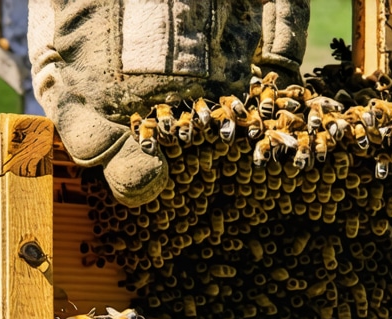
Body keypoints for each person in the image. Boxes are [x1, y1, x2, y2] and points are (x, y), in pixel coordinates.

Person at [28, 0, 310, 207]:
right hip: (121, 126)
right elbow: (46, 53)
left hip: (229, 121)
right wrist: (88, 129)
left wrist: (277, 74)